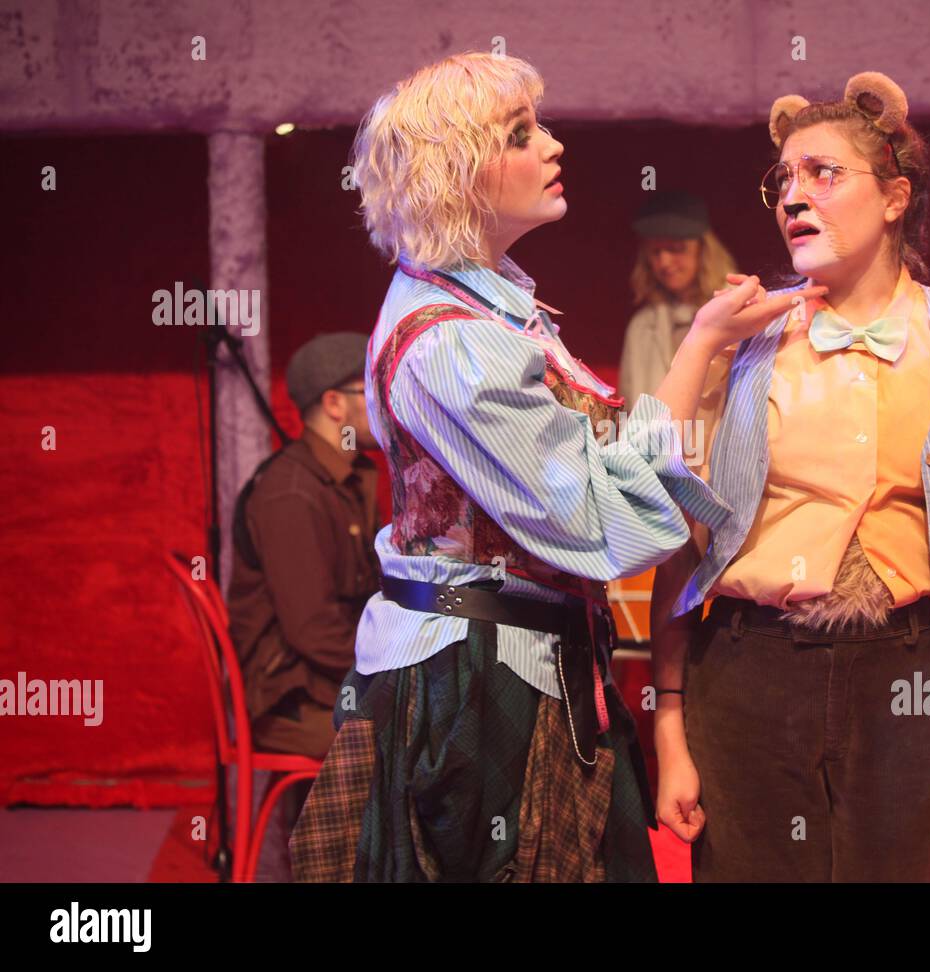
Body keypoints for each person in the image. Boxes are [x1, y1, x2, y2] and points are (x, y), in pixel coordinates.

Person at [287, 51, 823, 883]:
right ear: (457, 178)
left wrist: (710, 350)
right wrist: (704, 350)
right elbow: (595, 526)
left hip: (517, 652)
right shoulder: (457, 343)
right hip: (479, 675)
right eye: (520, 135)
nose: (553, 146)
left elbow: (592, 455)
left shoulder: (488, 304)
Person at [650, 70, 930, 882]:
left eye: (823, 174)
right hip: (748, 674)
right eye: (783, 179)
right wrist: (669, 725)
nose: (794, 196)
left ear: (896, 198)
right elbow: (678, 539)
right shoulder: (743, 336)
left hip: (909, 674)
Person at [227, 331, 381, 762]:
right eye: (370, 389)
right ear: (334, 404)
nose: (385, 402)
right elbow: (314, 631)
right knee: (421, 744)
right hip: (290, 697)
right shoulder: (293, 494)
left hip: (325, 679)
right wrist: (395, 673)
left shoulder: (348, 479)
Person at [618, 192, 737, 407]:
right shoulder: (642, 325)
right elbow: (629, 408)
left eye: (675, 249)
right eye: (655, 252)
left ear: (704, 251)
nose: (664, 262)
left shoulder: (736, 308)